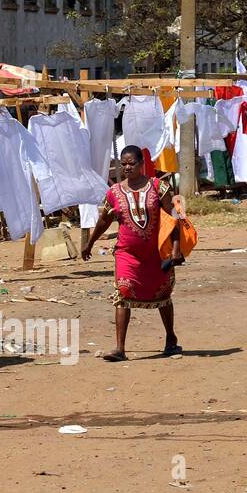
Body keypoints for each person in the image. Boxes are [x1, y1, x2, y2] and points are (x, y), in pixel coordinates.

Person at [82, 145, 184, 362]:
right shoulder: (115, 192)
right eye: (124, 163)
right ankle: (120, 348)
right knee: (124, 292)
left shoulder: (159, 187)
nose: (127, 167)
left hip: (157, 253)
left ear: (141, 164)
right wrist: (90, 243)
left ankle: (171, 338)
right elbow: (104, 220)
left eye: (132, 163)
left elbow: (174, 219)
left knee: (163, 294)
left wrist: (176, 249)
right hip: (127, 253)